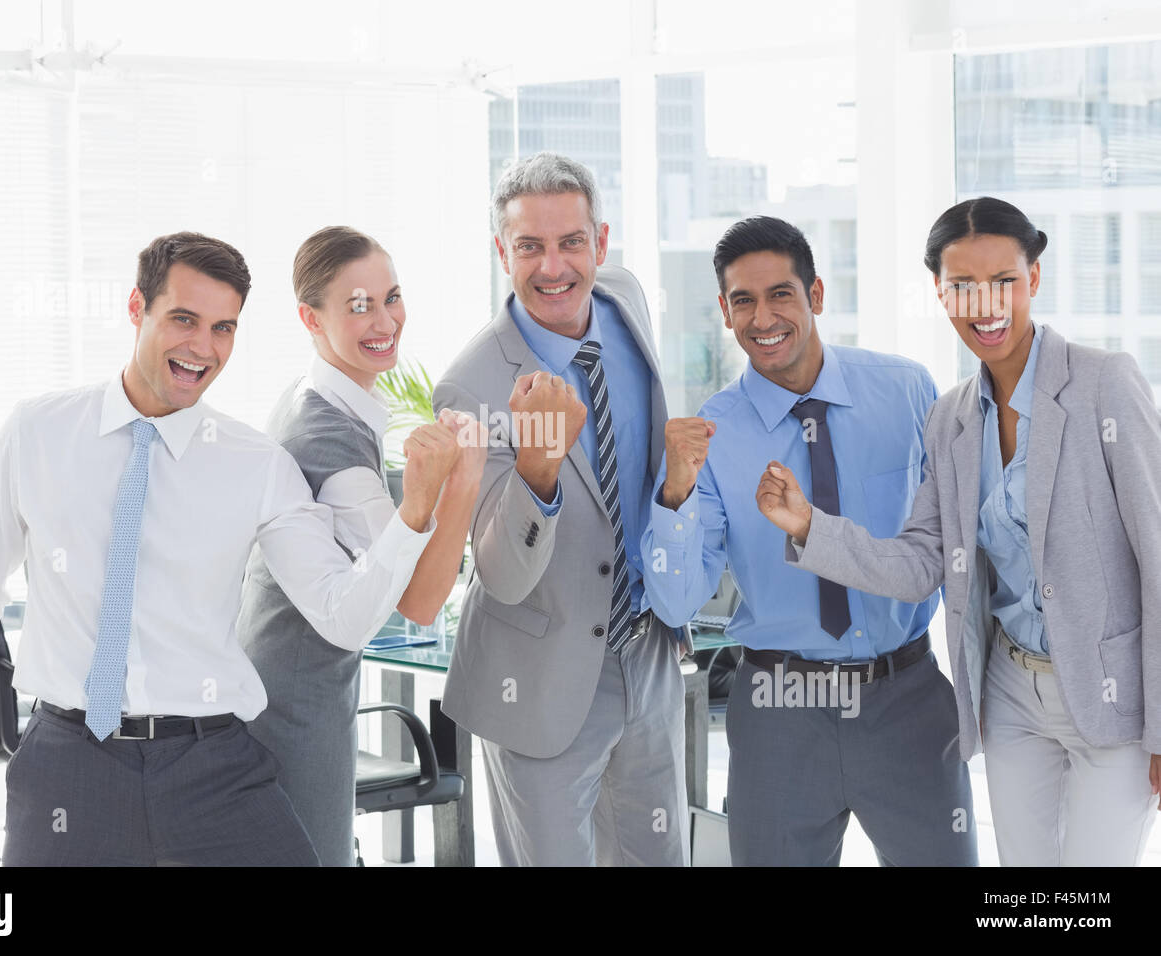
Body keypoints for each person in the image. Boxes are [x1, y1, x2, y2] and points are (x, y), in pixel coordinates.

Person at [0, 231, 457, 866]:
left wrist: (417, 511)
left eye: (223, 328)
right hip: (70, 760)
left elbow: (344, 615)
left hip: (213, 766)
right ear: (135, 309)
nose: (202, 347)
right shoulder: (38, 432)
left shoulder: (256, 464)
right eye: (183, 319)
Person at [757, 196, 1161, 866]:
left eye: (1003, 280)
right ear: (940, 294)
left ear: (1034, 277)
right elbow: (922, 562)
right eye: (963, 286)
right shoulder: (950, 419)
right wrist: (810, 528)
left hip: (1111, 693)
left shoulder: (1103, 384)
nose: (985, 304)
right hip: (1008, 694)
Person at [643, 215, 977, 866]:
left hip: (906, 699)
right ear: (724, 310)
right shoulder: (709, 434)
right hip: (779, 713)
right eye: (744, 300)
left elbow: (950, 546)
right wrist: (674, 495)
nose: (763, 317)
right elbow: (676, 603)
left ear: (816, 295)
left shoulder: (907, 390)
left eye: (781, 295)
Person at [433, 151, 691, 866]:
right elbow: (498, 572)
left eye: (571, 242)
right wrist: (538, 472)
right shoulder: (471, 386)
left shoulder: (625, 301)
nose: (554, 267)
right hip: (538, 676)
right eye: (530, 247)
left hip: (647, 659)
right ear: (500, 252)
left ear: (600, 244)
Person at [236, 226, 485, 867]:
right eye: (358, 306)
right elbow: (422, 603)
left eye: (392, 297)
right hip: (296, 705)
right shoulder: (329, 439)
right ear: (309, 319)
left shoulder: (317, 398)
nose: (385, 320)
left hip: (288, 688)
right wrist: (464, 481)